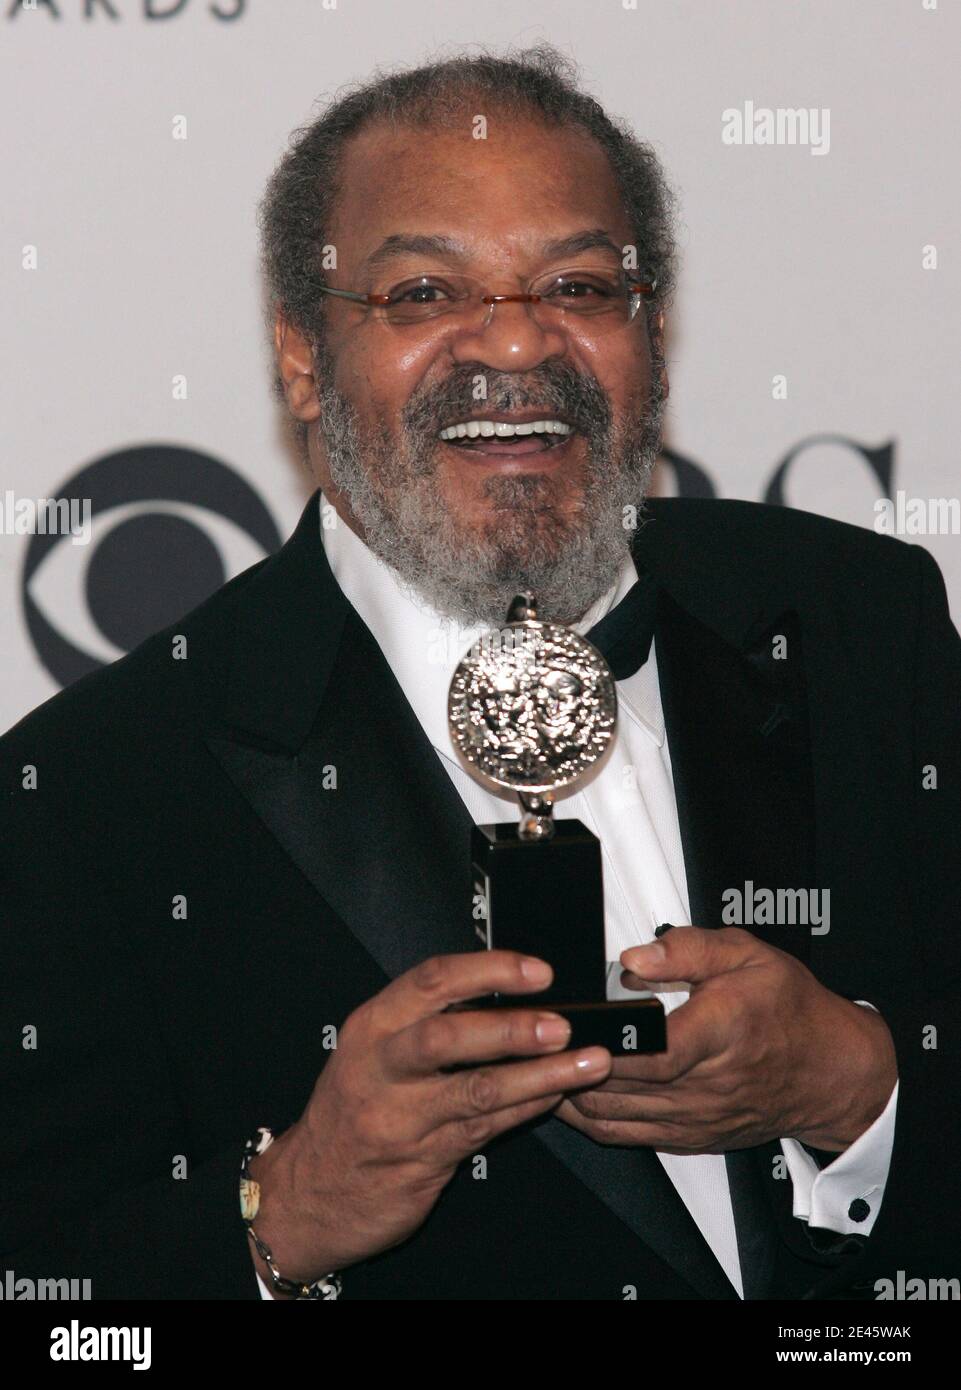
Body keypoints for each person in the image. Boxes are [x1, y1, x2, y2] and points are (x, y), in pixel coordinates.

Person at [2, 46, 958, 1302]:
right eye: (419, 293)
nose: (512, 341)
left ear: (653, 336)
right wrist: (283, 1212)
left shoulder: (858, 622)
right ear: (300, 356)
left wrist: (861, 1087)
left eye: (576, 282)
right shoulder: (91, 789)